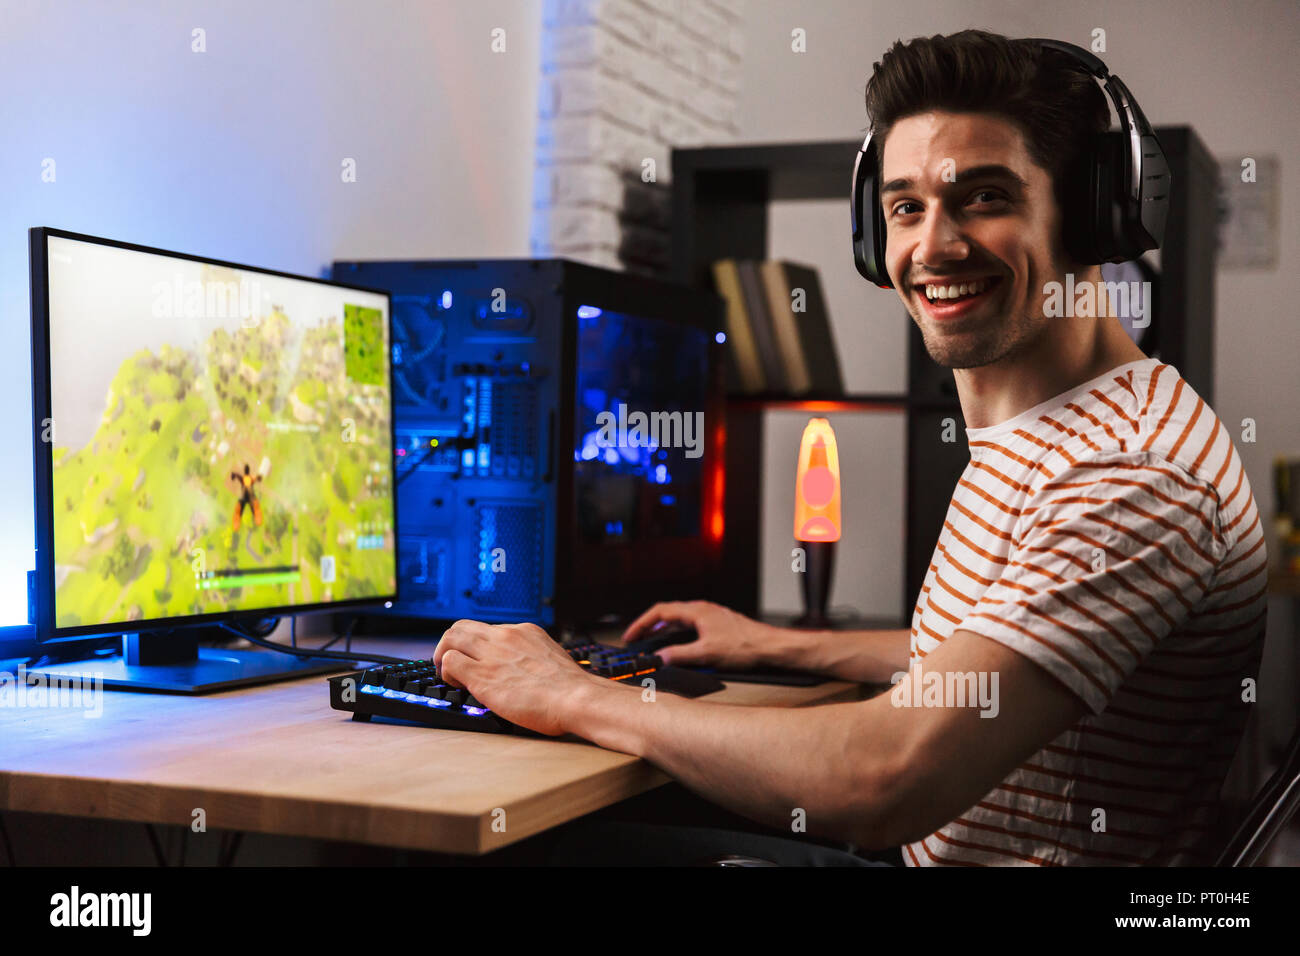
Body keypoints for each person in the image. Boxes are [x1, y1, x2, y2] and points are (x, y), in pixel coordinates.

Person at [433, 31, 1267, 866]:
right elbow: (999, 659)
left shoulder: (1130, 476)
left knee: (511, 842)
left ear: (1094, 216)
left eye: (983, 198)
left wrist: (570, 692)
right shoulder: (1070, 423)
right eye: (906, 207)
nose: (932, 247)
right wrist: (778, 645)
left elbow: (885, 781)